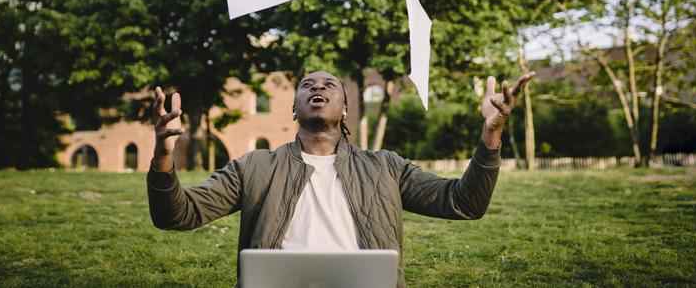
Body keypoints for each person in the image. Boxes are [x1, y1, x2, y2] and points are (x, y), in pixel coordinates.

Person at [147, 70, 535, 288]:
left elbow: (464, 203)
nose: (318, 87)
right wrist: (164, 154)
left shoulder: (386, 166)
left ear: (346, 110)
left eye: (329, 85)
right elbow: (177, 215)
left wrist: (491, 135)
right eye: (308, 86)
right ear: (295, 109)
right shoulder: (255, 166)